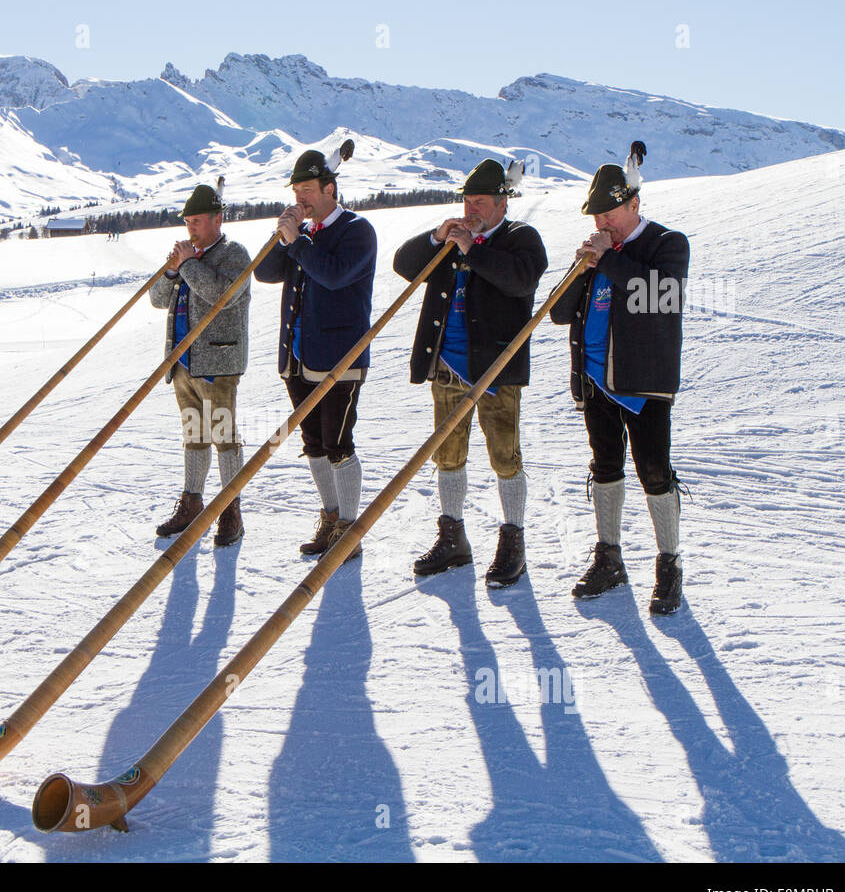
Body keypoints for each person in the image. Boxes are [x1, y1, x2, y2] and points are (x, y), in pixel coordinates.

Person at [549, 142, 690, 614]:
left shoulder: (666, 243)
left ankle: (669, 564)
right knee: (604, 466)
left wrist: (608, 259)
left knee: (653, 470)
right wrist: (579, 269)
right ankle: (609, 557)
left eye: (609, 212)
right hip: (594, 379)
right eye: (595, 215)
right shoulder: (599, 253)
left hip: (643, 381)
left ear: (633, 204)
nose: (601, 223)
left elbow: (661, 296)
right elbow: (558, 314)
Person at [393, 158, 547, 586]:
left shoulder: (520, 238)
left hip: (496, 368)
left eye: (479, 201)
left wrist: (473, 249)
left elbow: (520, 281)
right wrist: (436, 236)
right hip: (445, 363)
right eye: (466, 200)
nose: (470, 208)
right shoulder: (452, 239)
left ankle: (513, 540)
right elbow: (404, 265)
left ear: (501, 203)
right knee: (448, 455)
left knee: (504, 456)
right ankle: (453, 537)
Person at [253, 142, 377, 561]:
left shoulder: (357, 230)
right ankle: (330, 516)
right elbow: (265, 272)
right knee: (313, 442)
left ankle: (350, 528)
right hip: (298, 354)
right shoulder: (301, 235)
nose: (300, 199)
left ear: (330, 189)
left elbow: (334, 274)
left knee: (339, 441)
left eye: (307, 190)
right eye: (295, 192)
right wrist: (283, 236)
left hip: (340, 356)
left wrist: (299, 243)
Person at [150, 179, 252, 546]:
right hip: (183, 363)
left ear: (216, 220)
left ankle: (231, 510)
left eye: (196, 220)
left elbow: (219, 295)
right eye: (187, 221)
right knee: (194, 433)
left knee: (224, 435)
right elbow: (158, 299)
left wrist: (189, 265)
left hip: (218, 364)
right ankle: (192, 501)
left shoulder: (234, 254)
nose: (189, 227)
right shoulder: (188, 258)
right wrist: (172, 270)